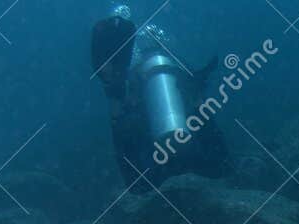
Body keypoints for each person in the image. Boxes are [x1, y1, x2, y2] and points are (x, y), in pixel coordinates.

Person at [91, 6, 229, 189]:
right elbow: (221, 163)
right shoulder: (174, 72)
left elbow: (133, 180)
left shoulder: (129, 84)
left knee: (142, 181)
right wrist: (197, 101)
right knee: (217, 165)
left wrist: (116, 112)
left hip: (161, 172)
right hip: (195, 160)